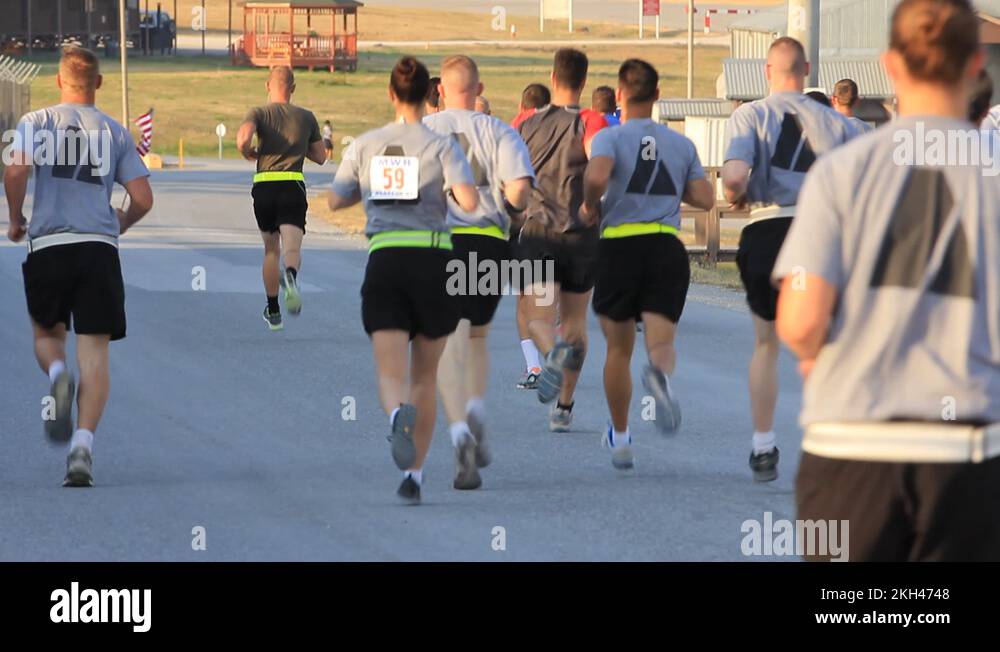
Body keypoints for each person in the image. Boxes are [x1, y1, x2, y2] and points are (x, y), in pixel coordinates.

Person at [773, 0, 1000, 561]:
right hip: (967, 449)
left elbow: (801, 324)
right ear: (975, 65)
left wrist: (818, 350)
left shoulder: (841, 172)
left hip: (852, 443)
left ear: (890, 66)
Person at [327, 56, 478, 504]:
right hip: (433, 262)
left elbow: (336, 200)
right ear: (429, 94)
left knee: (390, 372)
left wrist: (366, 190)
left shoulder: (367, 145)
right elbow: (468, 201)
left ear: (391, 95)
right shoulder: (444, 146)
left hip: (386, 261)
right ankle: (414, 476)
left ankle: (396, 416)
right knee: (425, 377)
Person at [3, 46, 153, 487]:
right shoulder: (116, 132)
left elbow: (14, 173)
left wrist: (15, 219)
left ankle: (56, 374)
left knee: (48, 335)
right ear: (99, 84)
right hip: (97, 249)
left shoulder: (35, 122)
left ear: (58, 81)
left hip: (49, 243)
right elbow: (142, 197)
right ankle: (82, 448)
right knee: (96, 356)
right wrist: (119, 223)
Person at [721, 37, 859, 482]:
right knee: (822, 344)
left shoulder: (750, 114)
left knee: (767, 344)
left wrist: (734, 193)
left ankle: (763, 444)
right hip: (819, 232)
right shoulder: (841, 123)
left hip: (767, 228)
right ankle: (832, 447)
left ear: (767, 70)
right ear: (808, 68)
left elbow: (736, 176)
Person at [583, 59, 714, 468]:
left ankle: (620, 437)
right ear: (657, 96)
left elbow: (599, 174)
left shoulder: (610, 138)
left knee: (618, 350)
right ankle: (659, 374)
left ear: (619, 95)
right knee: (660, 342)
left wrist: (591, 204)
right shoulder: (681, 144)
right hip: (664, 248)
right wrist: (670, 188)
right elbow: (706, 198)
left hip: (621, 246)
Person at [424, 56, 535, 489]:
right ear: (479, 87)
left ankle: (459, 433)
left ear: (441, 91)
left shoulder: (426, 131)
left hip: (441, 244)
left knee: (448, 343)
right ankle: (477, 410)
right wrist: (510, 208)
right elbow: (521, 191)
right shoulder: (501, 131)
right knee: (477, 336)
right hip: (489, 242)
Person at [517, 48, 608, 432]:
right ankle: (565, 407)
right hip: (581, 236)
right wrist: (590, 202)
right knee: (575, 324)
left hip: (538, 230)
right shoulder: (592, 121)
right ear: (583, 82)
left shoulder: (523, 122)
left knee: (539, 316)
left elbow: (512, 180)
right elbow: (600, 167)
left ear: (552, 78)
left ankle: (551, 353)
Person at [237, 66, 326, 331]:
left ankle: (273, 309)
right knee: (292, 249)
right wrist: (298, 145)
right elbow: (321, 157)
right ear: (293, 88)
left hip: (264, 187)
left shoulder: (259, 112)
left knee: (271, 250)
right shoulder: (306, 117)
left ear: (268, 85)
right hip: (292, 186)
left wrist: (249, 151)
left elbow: (243, 138)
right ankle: (291, 275)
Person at [511, 82, 552, 388]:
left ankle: (539, 366)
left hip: (533, 224)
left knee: (526, 300)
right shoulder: (575, 127)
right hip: (573, 227)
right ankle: (546, 364)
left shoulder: (517, 130)